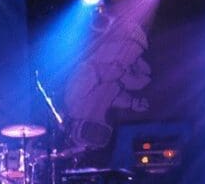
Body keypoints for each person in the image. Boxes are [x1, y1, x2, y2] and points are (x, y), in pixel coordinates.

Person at [63, 19, 152, 159]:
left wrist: (103, 73)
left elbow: (137, 82)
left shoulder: (74, 102)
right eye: (131, 53)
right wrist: (131, 102)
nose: (129, 60)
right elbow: (115, 94)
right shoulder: (103, 71)